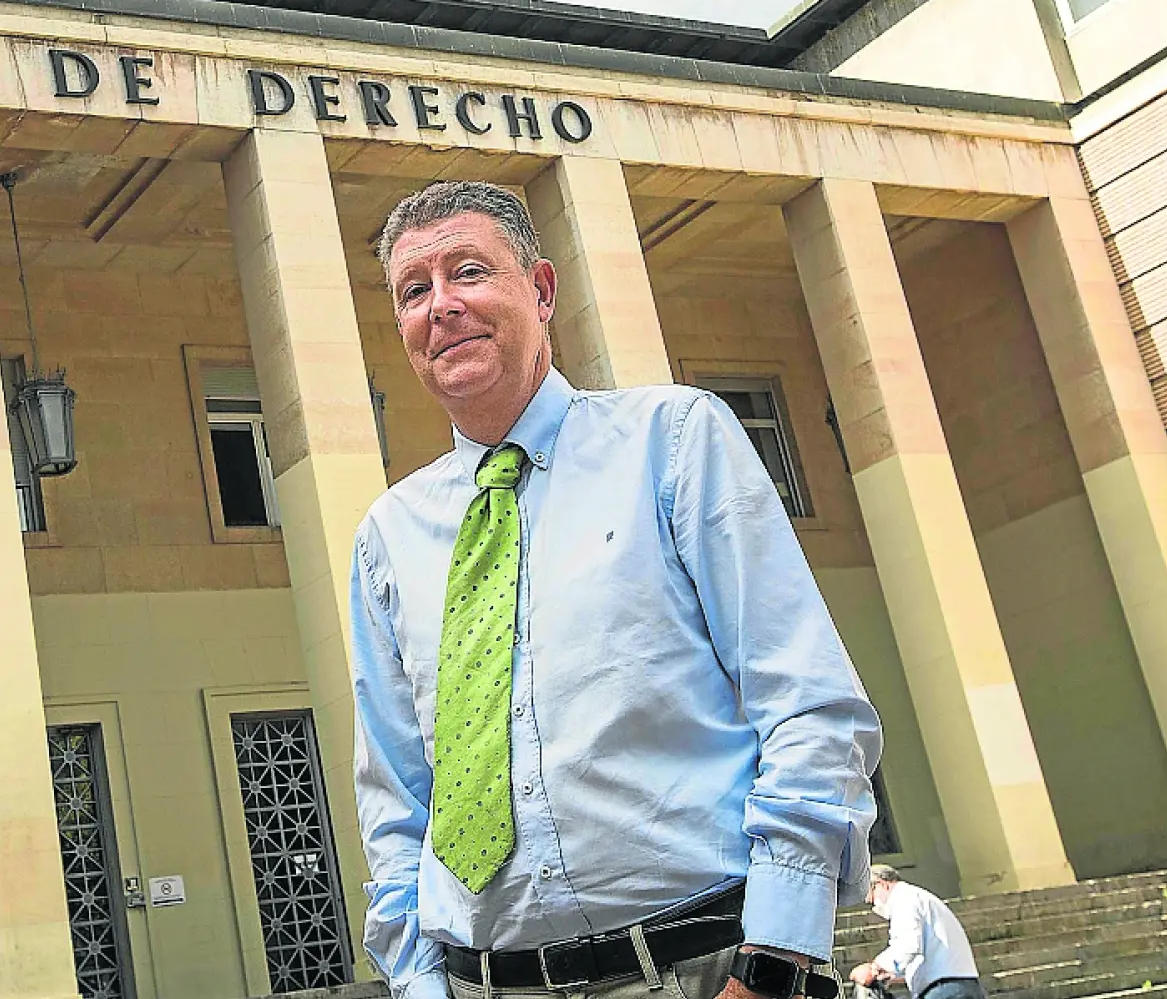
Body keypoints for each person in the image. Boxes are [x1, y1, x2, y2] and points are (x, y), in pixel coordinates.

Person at [350, 181, 884, 999]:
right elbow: (395, 801)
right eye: (414, 291)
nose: (442, 306)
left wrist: (775, 958)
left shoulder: (672, 441)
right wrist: (419, 985)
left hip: (704, 968)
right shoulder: (388, 537)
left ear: (541, 289)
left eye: (468, 272)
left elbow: (808, 705)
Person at [850, 865, 983, 999]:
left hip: (945, 988)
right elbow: (921, 951)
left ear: (883, 885)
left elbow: (907, 945)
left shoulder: (903, 899)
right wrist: (894, 974)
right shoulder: (916, 897)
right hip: (958, 984)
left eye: (872, 898)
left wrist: (875, 967)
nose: (875, 906)